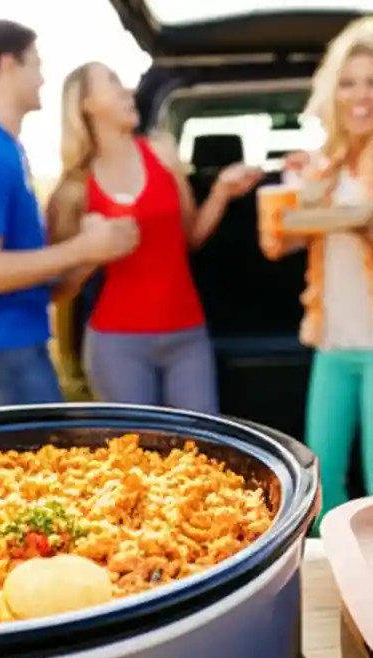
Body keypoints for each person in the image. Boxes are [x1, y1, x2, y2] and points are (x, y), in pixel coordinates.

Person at [264, 17, 373, 519]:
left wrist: (367, 224)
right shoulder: (326, 160)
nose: (360, 95)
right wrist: (293, 197)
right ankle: (333, 584)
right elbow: (290, 239)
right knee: (321, 477)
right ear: (332, 91)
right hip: (334, 338)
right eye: (348, 82)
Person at [0, 20, 139, 408]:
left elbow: (30, 273)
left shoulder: (8, 149)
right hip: (1, 347)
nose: (44, 79)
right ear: (8, 64)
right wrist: (83, 247)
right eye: (37, 64)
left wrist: (91, 256)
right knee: (39, 459)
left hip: (18, 340)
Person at [45, 62, 262, 414]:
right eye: (113, 81)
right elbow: (61, 289)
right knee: (137, 457)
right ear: (86, 103)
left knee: (201, 451)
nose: (128, 91)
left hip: (186, 334)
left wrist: (221, 192)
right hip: (116, 344)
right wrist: (92, 251)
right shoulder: (76, 188)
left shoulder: (161, 152)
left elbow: (189, 238)